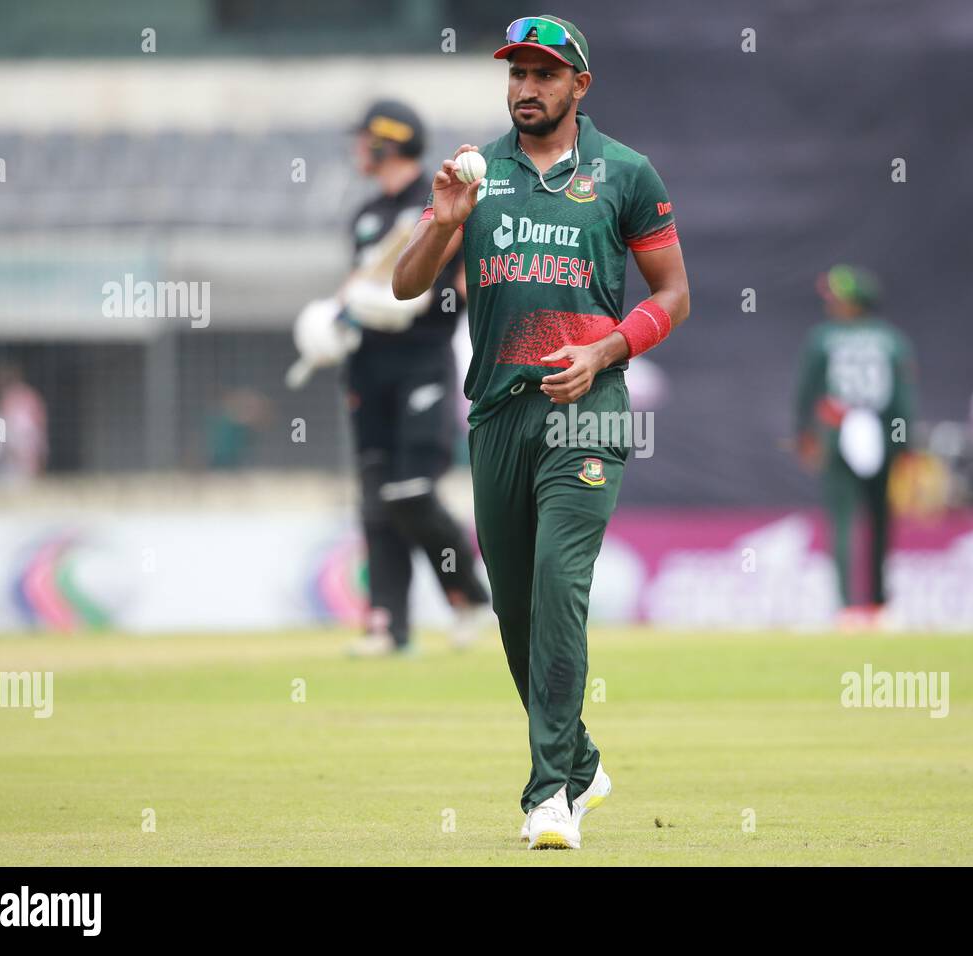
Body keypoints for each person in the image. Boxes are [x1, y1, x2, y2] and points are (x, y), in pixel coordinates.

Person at [392, 15, 691, 849]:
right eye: (517, 73)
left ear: (578, 86)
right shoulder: (474, 173)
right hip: (496, 414)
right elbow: (406, 284)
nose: (527, 87)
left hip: (586, 410)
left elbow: (672, 296)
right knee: (518, 612)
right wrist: (443, 219)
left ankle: (550, 795)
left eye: (545, 74)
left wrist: (605, 351)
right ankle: (584, 759)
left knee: (560, 587)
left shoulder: (626, 173)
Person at [341, 99, 491, 656]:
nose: (357, 148)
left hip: (423, 358)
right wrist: (339, 319)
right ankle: (388, 626)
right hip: (368, 366)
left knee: (411, 491)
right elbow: (357, 284)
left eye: (364, 139)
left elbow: (464, 282)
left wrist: (421, 301)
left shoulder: (437, 203)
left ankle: (469, 593)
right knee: (376, 498)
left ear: (388, 141)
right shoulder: (364, 214)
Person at [793, 266, 916, 627]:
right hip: (880, 429)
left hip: (839, 428)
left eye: (837, 297)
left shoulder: (822, 338)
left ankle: (847, 607)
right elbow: (903, 400)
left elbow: (806, 392)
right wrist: (904, 444)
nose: (830, 303)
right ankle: (879, 605)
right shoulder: (892, 340)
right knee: (880, 519)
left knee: (844, 518)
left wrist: (805, 434)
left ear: (853, 301)